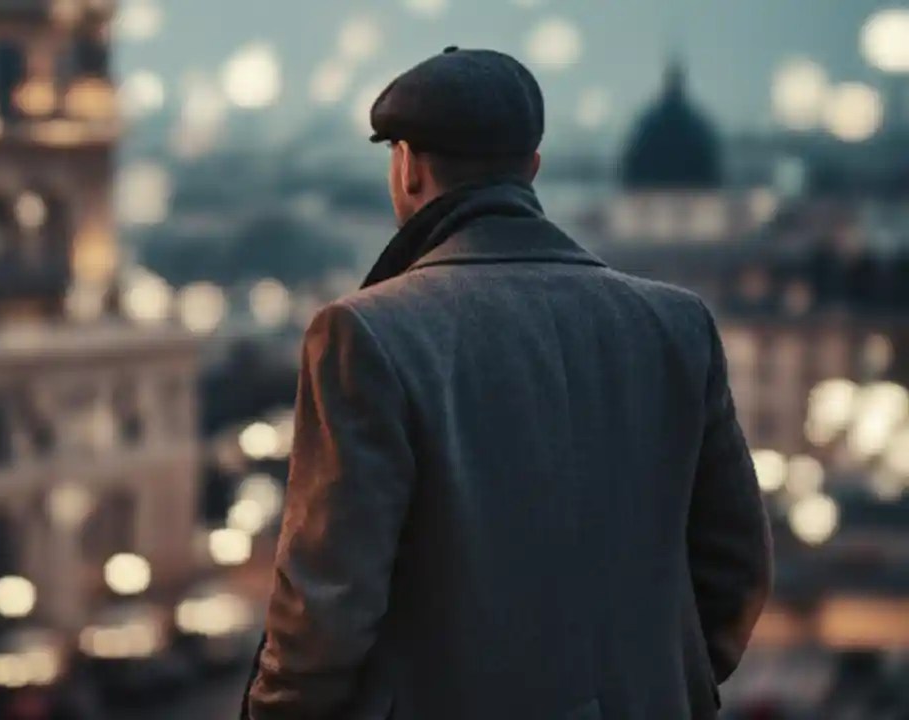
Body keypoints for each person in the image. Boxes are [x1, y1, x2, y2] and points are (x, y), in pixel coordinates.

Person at [241, 48, 772, 720]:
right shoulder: (676, 324)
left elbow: (327, 610)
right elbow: (737, 569)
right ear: (533, 168)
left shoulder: (367, 335)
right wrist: (666, 683)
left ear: (407, 167)